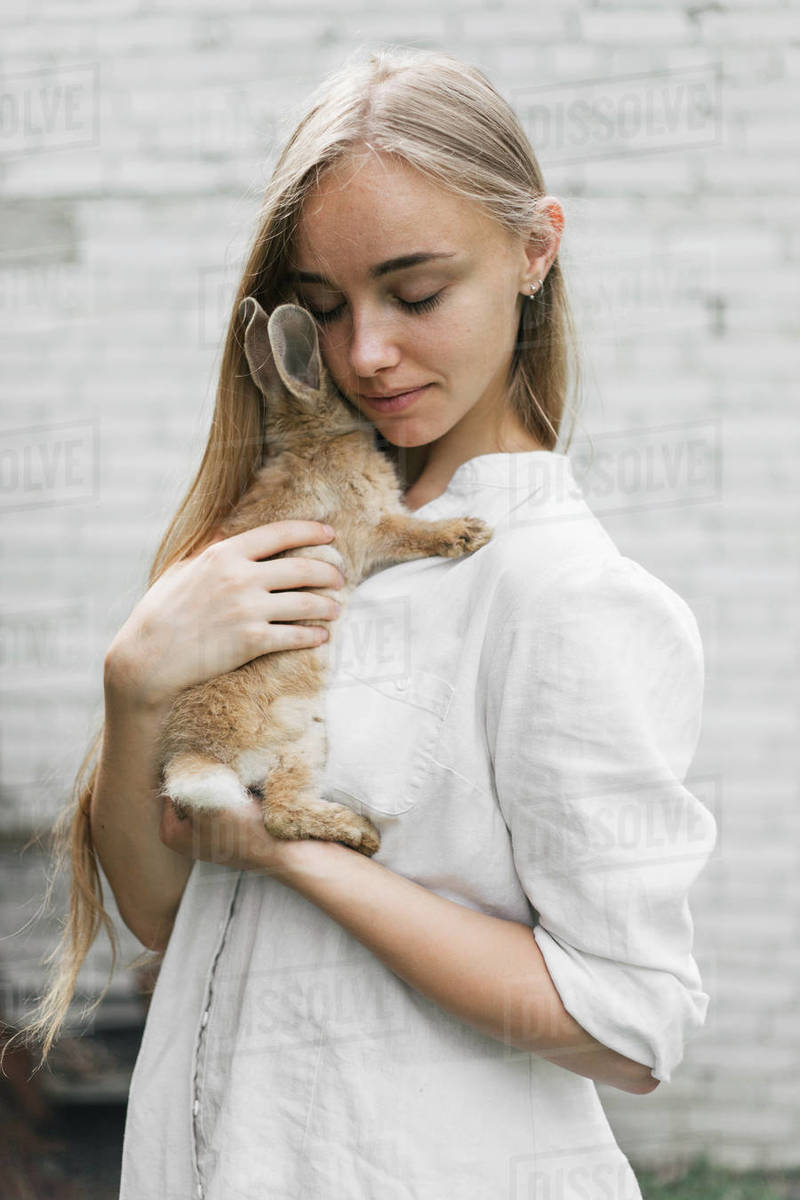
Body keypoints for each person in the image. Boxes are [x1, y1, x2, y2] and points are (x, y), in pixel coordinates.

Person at [15, 47, 716, 1199]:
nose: (364, 355)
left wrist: (290, 851)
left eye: (416, 294)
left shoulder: (561, 594)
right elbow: (164, 913)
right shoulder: (282, 548)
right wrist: (133, 684)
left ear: (534, 249)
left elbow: (630, 1025)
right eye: (327, 307)